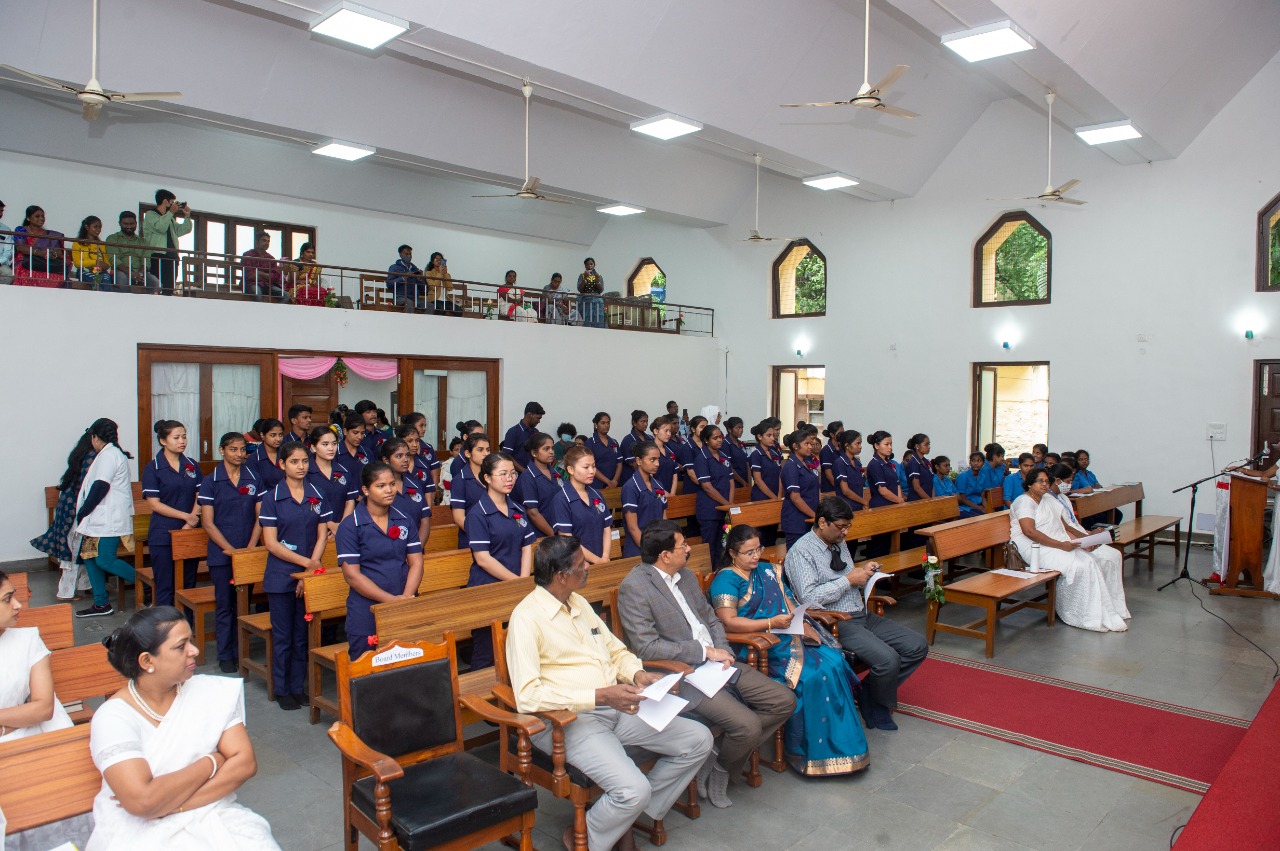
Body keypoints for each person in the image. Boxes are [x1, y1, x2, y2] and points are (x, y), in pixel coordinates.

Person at [506, 535, 713, 851]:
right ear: (561, 576)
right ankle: (586, 837)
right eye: (580, 565)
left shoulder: (578, 602)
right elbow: (528, 696)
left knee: (698, 740)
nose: (588, 567)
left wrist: (638, 673)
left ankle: (622, 818)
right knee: (633, 790)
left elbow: (616, 651)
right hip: (566, 722)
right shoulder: (527, 618)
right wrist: (601, 696)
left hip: (615, 706)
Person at [618, 521, 795, 806]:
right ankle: (725, 768)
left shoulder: (685, 576)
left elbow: (711, 618)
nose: (689, 549)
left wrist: (722, 650)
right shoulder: (635, 587)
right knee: (747, 726)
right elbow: (646, 646)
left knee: (784, 700)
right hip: (682, 675)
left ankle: (717, 760)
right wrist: (703, 652)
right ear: (664, 555)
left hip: (718, 664)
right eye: (682, 546)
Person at [88, 607, 280, 849]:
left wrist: (176, 807)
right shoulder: (114, 717)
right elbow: (143, 802)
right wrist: (212, 762)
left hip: (211, 812)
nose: (195, 651)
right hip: (137, 829)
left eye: (191, 641)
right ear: (147, 661)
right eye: (181, 646)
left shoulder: (209, 691)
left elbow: (244, 764)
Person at [710, 524, 870, 776]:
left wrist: (804, 623)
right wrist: (771, 623)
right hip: (755, 645)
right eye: (748, 552)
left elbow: (790, 603)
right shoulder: (726, 579)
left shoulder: (768, 571)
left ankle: (841, 748)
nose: (755, 557)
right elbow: (728, 621)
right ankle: (802, 751)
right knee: (811, 676)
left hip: (787, 637)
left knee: (833, 661)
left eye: (758, 549)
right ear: (732, 553)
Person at [785, 497, 928, 732]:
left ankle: (867, 692)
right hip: (834, 620)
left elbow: (848, 576)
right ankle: (877, 705)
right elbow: (808, 599)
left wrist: (864, 574)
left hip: (860, 612)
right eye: (841, 526)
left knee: (916, 645)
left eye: (848, 526)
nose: (845, 532)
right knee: (887, 659)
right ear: (822, 522)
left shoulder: (838, 542)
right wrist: (848, 580)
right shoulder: (801, 552)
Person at [259, 443, 334, 709]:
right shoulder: (272, 497)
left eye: (304, 461)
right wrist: (307, 565)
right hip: (281, 575)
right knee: (283, 635)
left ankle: (297, 686)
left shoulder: (317, 494)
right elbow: (271, 543)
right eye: (294, 462)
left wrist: (309, 571)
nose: (301, 466)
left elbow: (322, 534)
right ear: (282, 465)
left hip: (309, 575)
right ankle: (282, 689)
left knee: (303, 634)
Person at [1010, 468, 1130, 632]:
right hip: (1032, 546)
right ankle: (1073, 612)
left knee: (1090, 561)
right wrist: (1061, 545)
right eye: (1040, 481)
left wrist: (1087, 539)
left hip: (1055, 540)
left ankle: (1094, 612)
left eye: (1047, 481)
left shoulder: (1048, 499)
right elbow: (1029, 531)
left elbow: (1064, 526)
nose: (1045, 484)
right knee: (1079, 566)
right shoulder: (1024, 502)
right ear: (1030, 484)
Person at [336, 463, 423, 660]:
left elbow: (416, 562)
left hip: (404, 603)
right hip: (366, 608)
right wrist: (391, 601)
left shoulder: (404, 520)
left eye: (392, 484)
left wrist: (406, 598)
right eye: (381, 486)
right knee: (367, 666)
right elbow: (352, 575)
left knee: (406, 663)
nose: (389, 490)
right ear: (366, 490)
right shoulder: (351, 525)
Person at [197, 433, 263, 673]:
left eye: (242, 449)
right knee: (225, 604)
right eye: (233, 449)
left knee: (243, 605)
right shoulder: (210, 481)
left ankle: (242, 652)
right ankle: (226, 654)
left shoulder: (254, 477)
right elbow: (207, 523)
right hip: (221, 554)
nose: (239, 454)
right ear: (221, 450)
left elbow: (260, 517)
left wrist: (249, 548)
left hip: (247, 553)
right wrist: (230, 550)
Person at [465, 452, 535, 668]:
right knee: (487, 650)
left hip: (517, 584)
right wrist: (516, 582)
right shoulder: (478, 514)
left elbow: (526, 545)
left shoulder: (516, 508)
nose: (510, 479)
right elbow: (483, 559)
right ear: (487, 478)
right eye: (503, 474)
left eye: (512, 473)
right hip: (488, 588)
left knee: (518, 645)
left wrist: (523, 579)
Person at [69, 420, 137, 618]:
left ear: (95, 437)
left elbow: (100, 486)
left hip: (108, 520)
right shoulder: (107, 454)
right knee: (89, 556)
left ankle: (151, 585)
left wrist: (83, 511)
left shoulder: (110, 455)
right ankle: (101, 603)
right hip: (98, 520)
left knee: (105, 559)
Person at [0, 569, 74, 740]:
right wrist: (19, 716)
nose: (17, 604)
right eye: (7, 599)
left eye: (14, 596)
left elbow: (44, 708)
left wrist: (5, 728)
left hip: (26, 737)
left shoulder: (28, 639)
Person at [30, 426, 98, 600]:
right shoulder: (92, 457)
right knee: (75, 550)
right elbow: (87, 487)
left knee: (74, 547)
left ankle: (81, 586)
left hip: (67, 504)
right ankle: (65, 593)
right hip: (76, 507)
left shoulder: (79, 454)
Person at [142, 420, 203, 609]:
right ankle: (166, 632)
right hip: (163, 533)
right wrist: (186, 517)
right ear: (163, 441)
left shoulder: (192, 465)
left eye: (184, 436)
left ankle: (187, 627)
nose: (182, 441)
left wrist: (192, 520)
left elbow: (200, 496)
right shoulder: (153, 468)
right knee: (165, 585)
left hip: (189, 533)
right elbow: (154, 504)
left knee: (188, 584)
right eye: (176, 437)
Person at [549, 446, 613, 564]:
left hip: (602, 560)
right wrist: (597, 560)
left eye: (593, 466)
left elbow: (606, 528)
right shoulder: (562, 499)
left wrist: (604, 556)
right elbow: (567, 539)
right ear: (570, 469)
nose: (591, 471)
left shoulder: (597, 495)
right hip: (575, 564)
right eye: (585, 467)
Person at [693, 424, 734, 565]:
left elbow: (731, 481)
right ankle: (709, 578)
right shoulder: (701, 459)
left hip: (724, 507)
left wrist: (730, 503)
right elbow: (707, 487)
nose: (719, 440)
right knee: (710, 546)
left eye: (720, 437)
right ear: (706, 440)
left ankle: (720, 573)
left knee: (722, 545)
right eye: (715, 438)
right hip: (709, 510)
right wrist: (727, 504)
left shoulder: (723, 456)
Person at [379, 438, 432, 545]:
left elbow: (425, 520)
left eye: (407, 455)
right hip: (388, 552)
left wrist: (416, 549)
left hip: (416, 549)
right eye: (399, 456)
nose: (405, 460)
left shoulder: (415, 484)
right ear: (386, 460)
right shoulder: (378, 487)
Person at [621, 443, 669, 558]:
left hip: (658, 546)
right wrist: (648, 552)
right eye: (652, 460)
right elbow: (632, 527)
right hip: (638, 549)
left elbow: (664, 518)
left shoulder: (658, 485)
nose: (657, 464)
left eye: (658, 459)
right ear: (639, 461)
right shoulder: (631, 487)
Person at [142, 189, 192, 294]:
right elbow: (160, 227)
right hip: (158, 256)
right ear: (165, 201)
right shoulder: (151, 215)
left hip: (172, 256)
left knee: (169, 288)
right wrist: (171, 212)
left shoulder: (170, 218)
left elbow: (183, 229)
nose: (173, 205)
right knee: (158, 287)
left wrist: (187, 216)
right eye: (172, 202)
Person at [779, 428, 821, 550]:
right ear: (795, 446)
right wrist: (815, 516)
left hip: (809, 517)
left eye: (810, 444)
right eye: (806, 444)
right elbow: (795, 498)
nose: (810, 447)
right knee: (796, 556)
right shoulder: (791, 466)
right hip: (796, 520)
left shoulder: (806, 462)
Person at [514, 432, 563, 537]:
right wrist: (553, 535)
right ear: (534, 453)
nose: (551, 452)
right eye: (546, 449)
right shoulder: (528, 477)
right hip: (541, 535)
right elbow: (533, 513)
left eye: (552, 448)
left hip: (559, 530)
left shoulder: (556, 473)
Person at [305, 424, 358, 521]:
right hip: (315, 528)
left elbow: (350, 500)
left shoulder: (344, 472)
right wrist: (328, 525)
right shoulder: (306, 472)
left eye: (334, 443)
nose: (331, 448)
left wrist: (342, 526)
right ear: (313, 447)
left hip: (341, 527)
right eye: (325, 444)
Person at [864, 430, 903, 558]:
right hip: (881, 506)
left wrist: (899, 499)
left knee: (888, 543)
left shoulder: (888, 463)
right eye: (886, 444)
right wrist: (899, 501)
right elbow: (882, 490)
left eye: (891, 444)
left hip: (892, 505)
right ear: (876, 446)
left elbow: (897, 484)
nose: (890, 447)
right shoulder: (875, 464)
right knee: (879, 544)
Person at [449, 432, 492, 548]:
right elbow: (459, 518)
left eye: (488, 450)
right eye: (480, 450)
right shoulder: (460, 480)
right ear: (468, 453)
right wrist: (480, 534)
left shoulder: (493, 477)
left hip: (495, 538)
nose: (485, 454)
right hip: (472, 539)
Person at [104, 210, 161, 289]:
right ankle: (125, 302)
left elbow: (146, 260)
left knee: (156, 283)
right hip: (120, 271)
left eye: (132, 224)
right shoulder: (112, 238)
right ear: (119, 223)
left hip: (140, 272)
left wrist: (139, 274)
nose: (129, 226)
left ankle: (146, 302)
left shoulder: (143, 242)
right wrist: (130, 273)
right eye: (125, 224)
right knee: (122, 280)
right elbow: (114, 260)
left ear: (136, 224)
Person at [13, 204, 66, 286]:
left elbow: (59, 252)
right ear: (28, 218)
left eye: (43, 216)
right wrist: (40, 253)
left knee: (57, 277)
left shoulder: (50, 234)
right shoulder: (21, 229)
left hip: (44, 264)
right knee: (26, 274)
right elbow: (21, 248)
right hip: (26, 263)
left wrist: (52, 254)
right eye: (37, 216)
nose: (41, 218)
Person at [1073, 449, 1122, 527]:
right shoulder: (1076, 475)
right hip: (1084, 504)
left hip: (1095, 502)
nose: (1084, 462)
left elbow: (1098, 486)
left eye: (1086, 459)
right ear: (1076, 461)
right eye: (1081, 459)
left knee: (1118, 514)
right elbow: (1085, 489)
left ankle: (1109, 534)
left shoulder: (1090, 474)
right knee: (1100, 518)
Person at [401, 412, 443, 491]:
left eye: (425, 426)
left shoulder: (428, 448)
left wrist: (432, 495)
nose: (424, 429)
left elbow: (434, 475)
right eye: (421, 425)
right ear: (411, 426)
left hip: (426, 491)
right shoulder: (401, 448)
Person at [241, 230, 286, 301]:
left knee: (286, 295)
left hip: (268, 285)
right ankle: (260, 312)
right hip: (252, 284)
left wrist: (259, 273)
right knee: (257, 292)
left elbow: (276, 277)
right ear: (257, 242)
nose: (267, 243)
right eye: (264, 240)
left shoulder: (271, 258)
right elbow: (249, 275)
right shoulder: (248, 255)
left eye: (268, 241)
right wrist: (268, 276)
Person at [72, 215, 115, 290]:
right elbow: (77, 263)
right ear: (87, 227)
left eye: (100, 227)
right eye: (95, 227)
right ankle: (98, 300)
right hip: (85, 270)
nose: (98, 230)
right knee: (96, 281)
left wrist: (104, 265)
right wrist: (95, 262)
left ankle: (108, 300)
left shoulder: (101, 244)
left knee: (106, 279)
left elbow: (107, 262)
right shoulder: (78, 243)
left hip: (99, 270)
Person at [502, 401, 545, 473]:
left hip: (533, 473)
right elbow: (506, 456)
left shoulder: (536, 432)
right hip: (517, 474)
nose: (539, 421)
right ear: (529, 415)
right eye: (538, 418)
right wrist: (524, 471)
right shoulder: (513, 432)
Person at [833, 429, 870, 513]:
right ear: (847, 445)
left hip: (858, 506)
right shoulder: (840, 463)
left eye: (860, 443)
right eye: (857, 444)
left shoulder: (857, 463)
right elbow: (845, 490)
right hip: (846, 507)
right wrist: (864, 501)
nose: (860, 446)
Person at [587, 412, 622, 488]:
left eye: (608, 423)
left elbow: (619, 463)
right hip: (596, 485)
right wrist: (608, 482)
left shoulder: (614, 442)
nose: (606, 425)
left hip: (614, 485)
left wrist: (614, 481)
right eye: (603, 423)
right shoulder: (590, 443)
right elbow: (591, 466)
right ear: (596, 425)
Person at [649, 415, 683, 494]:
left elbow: (675, 473)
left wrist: (672, 493)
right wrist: (663, 493)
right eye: (666, 431)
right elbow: (649, 476)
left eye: (670, 431)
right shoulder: (649, 450)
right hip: (655, 493)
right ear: (656, 431)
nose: (669, 434)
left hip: (670, 493)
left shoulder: (669, 451)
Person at [251, 418, 286, 489]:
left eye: (280, 435)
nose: (278, 439)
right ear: (262, 435)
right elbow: (254, 485)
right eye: (273, 435)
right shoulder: (254, 459)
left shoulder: (287, 454)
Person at [386, 244, 423, 309]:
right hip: (399, 297)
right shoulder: (394, 268)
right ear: (400, 255)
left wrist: (420, 279)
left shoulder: (415, 269)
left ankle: (422, 319)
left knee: (430, 306)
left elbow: (424, 289)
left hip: (414, 298)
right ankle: (410, 319)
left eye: (410, 254)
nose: (409, 256)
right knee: (409, 303)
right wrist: (404, 277)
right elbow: (389, 284)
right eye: (406, 254)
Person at [619, 410, 653, 474]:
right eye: (642, 421)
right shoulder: (628, 440)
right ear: (634, 423)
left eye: (646, 421)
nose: (645, 424)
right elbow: (634, 465)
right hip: (632, 476)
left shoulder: (650, 438)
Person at [576, 256, 606, 328]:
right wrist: (585, 278)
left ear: (594, 265)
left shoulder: (598, 276)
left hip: (596, 298)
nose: (589, 266)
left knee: (598, 308)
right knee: (586, 315)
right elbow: (579, 289)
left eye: (591, 264)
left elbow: (601, 290)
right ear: (585, 266)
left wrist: (597, 281)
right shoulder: (582, 275)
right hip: (585, 297)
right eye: (587, 264)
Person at [954, 452, 987, 517]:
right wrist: (979, 508)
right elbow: (962, 499)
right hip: (964, 507)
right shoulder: (963, 476)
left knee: (988, 517)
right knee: (978, 520)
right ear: (970, 462)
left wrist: (986, 508)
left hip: (978, 504)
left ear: (983, 463)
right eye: (973, 460)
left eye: (979, 461)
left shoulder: (983, 477)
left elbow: (983, 497)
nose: (976, 463)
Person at [722, 417, 751, 489]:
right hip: (733, 484)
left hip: (745, 482)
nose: (741, 430)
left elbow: (747, 464)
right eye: (738, 428)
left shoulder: (741, 444)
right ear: (729, 429)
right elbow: (728, 467)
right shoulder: (725, 444)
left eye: (742, 428)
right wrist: (743, 482)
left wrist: (749, 482)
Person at [903, 433, 934, 501]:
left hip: (929, 500)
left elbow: (931, 483)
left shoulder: (927, 462)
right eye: (926, 444)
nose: (928, 447)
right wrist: (930, 500)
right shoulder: (913, 463)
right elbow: (916, 487)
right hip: (917, 501)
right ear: (917, 446)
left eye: (929, 444)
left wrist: (933, 499)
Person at [820, 421, 844, 495]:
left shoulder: (842, 449)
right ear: (832, 435)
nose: (842, 435)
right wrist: (841, 489)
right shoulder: (826, 450)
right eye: (840, 433)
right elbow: (829, 475)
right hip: (831, 491)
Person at [0, 200, 12, 285]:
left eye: (1, 211)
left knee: (9, 274)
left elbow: (8, 251)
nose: (1, 214)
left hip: (0, 264)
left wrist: (0, 262)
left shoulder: (6, 230)